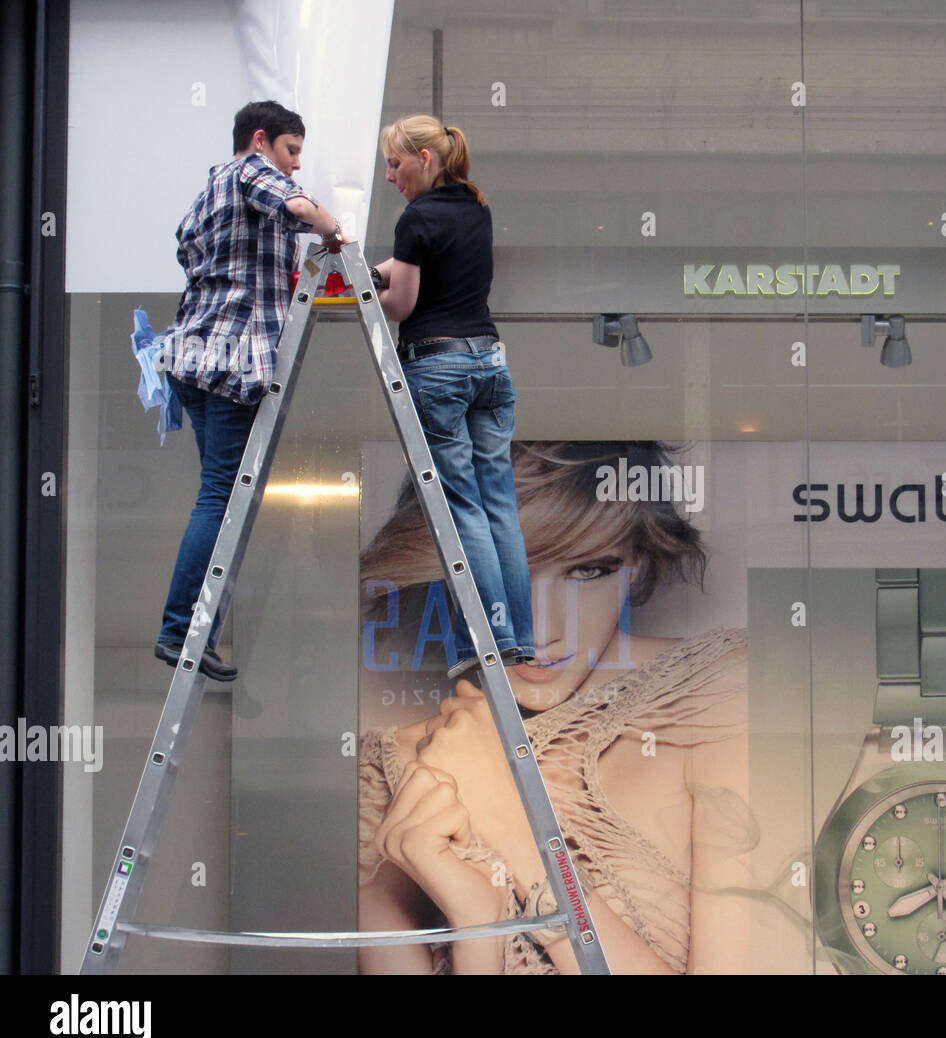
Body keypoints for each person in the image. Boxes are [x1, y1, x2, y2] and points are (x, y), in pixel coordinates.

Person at [357, 442, 751, 974]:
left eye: (587, 571)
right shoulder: (394, 767)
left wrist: (517, 826)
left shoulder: (713, 698)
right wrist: (479, 925)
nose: (541, 631)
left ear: (637, 559)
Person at [154, 101, 347, 682]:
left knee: (217, 496)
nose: (293, 167)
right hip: (234, 360)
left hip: (192, 355)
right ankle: (182, 630)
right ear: (260, 140)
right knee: (222, 498)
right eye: (291, 152)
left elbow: (190, 253)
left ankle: (192, 631)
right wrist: (332, 227)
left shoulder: (207, 190)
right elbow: (293, 205)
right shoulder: (251, 172)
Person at [368, 114, 532, 679]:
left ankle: (489, 636)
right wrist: (384, 269)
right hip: (489, 362)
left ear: (425, 160)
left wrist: (371, 291)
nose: (391, 176)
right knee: (498, 506)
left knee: (462, 506)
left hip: (437, 365)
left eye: (395, 163)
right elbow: (425, 264)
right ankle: (520, 635)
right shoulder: (475, 206)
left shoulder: (415, 218)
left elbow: (403, 305)